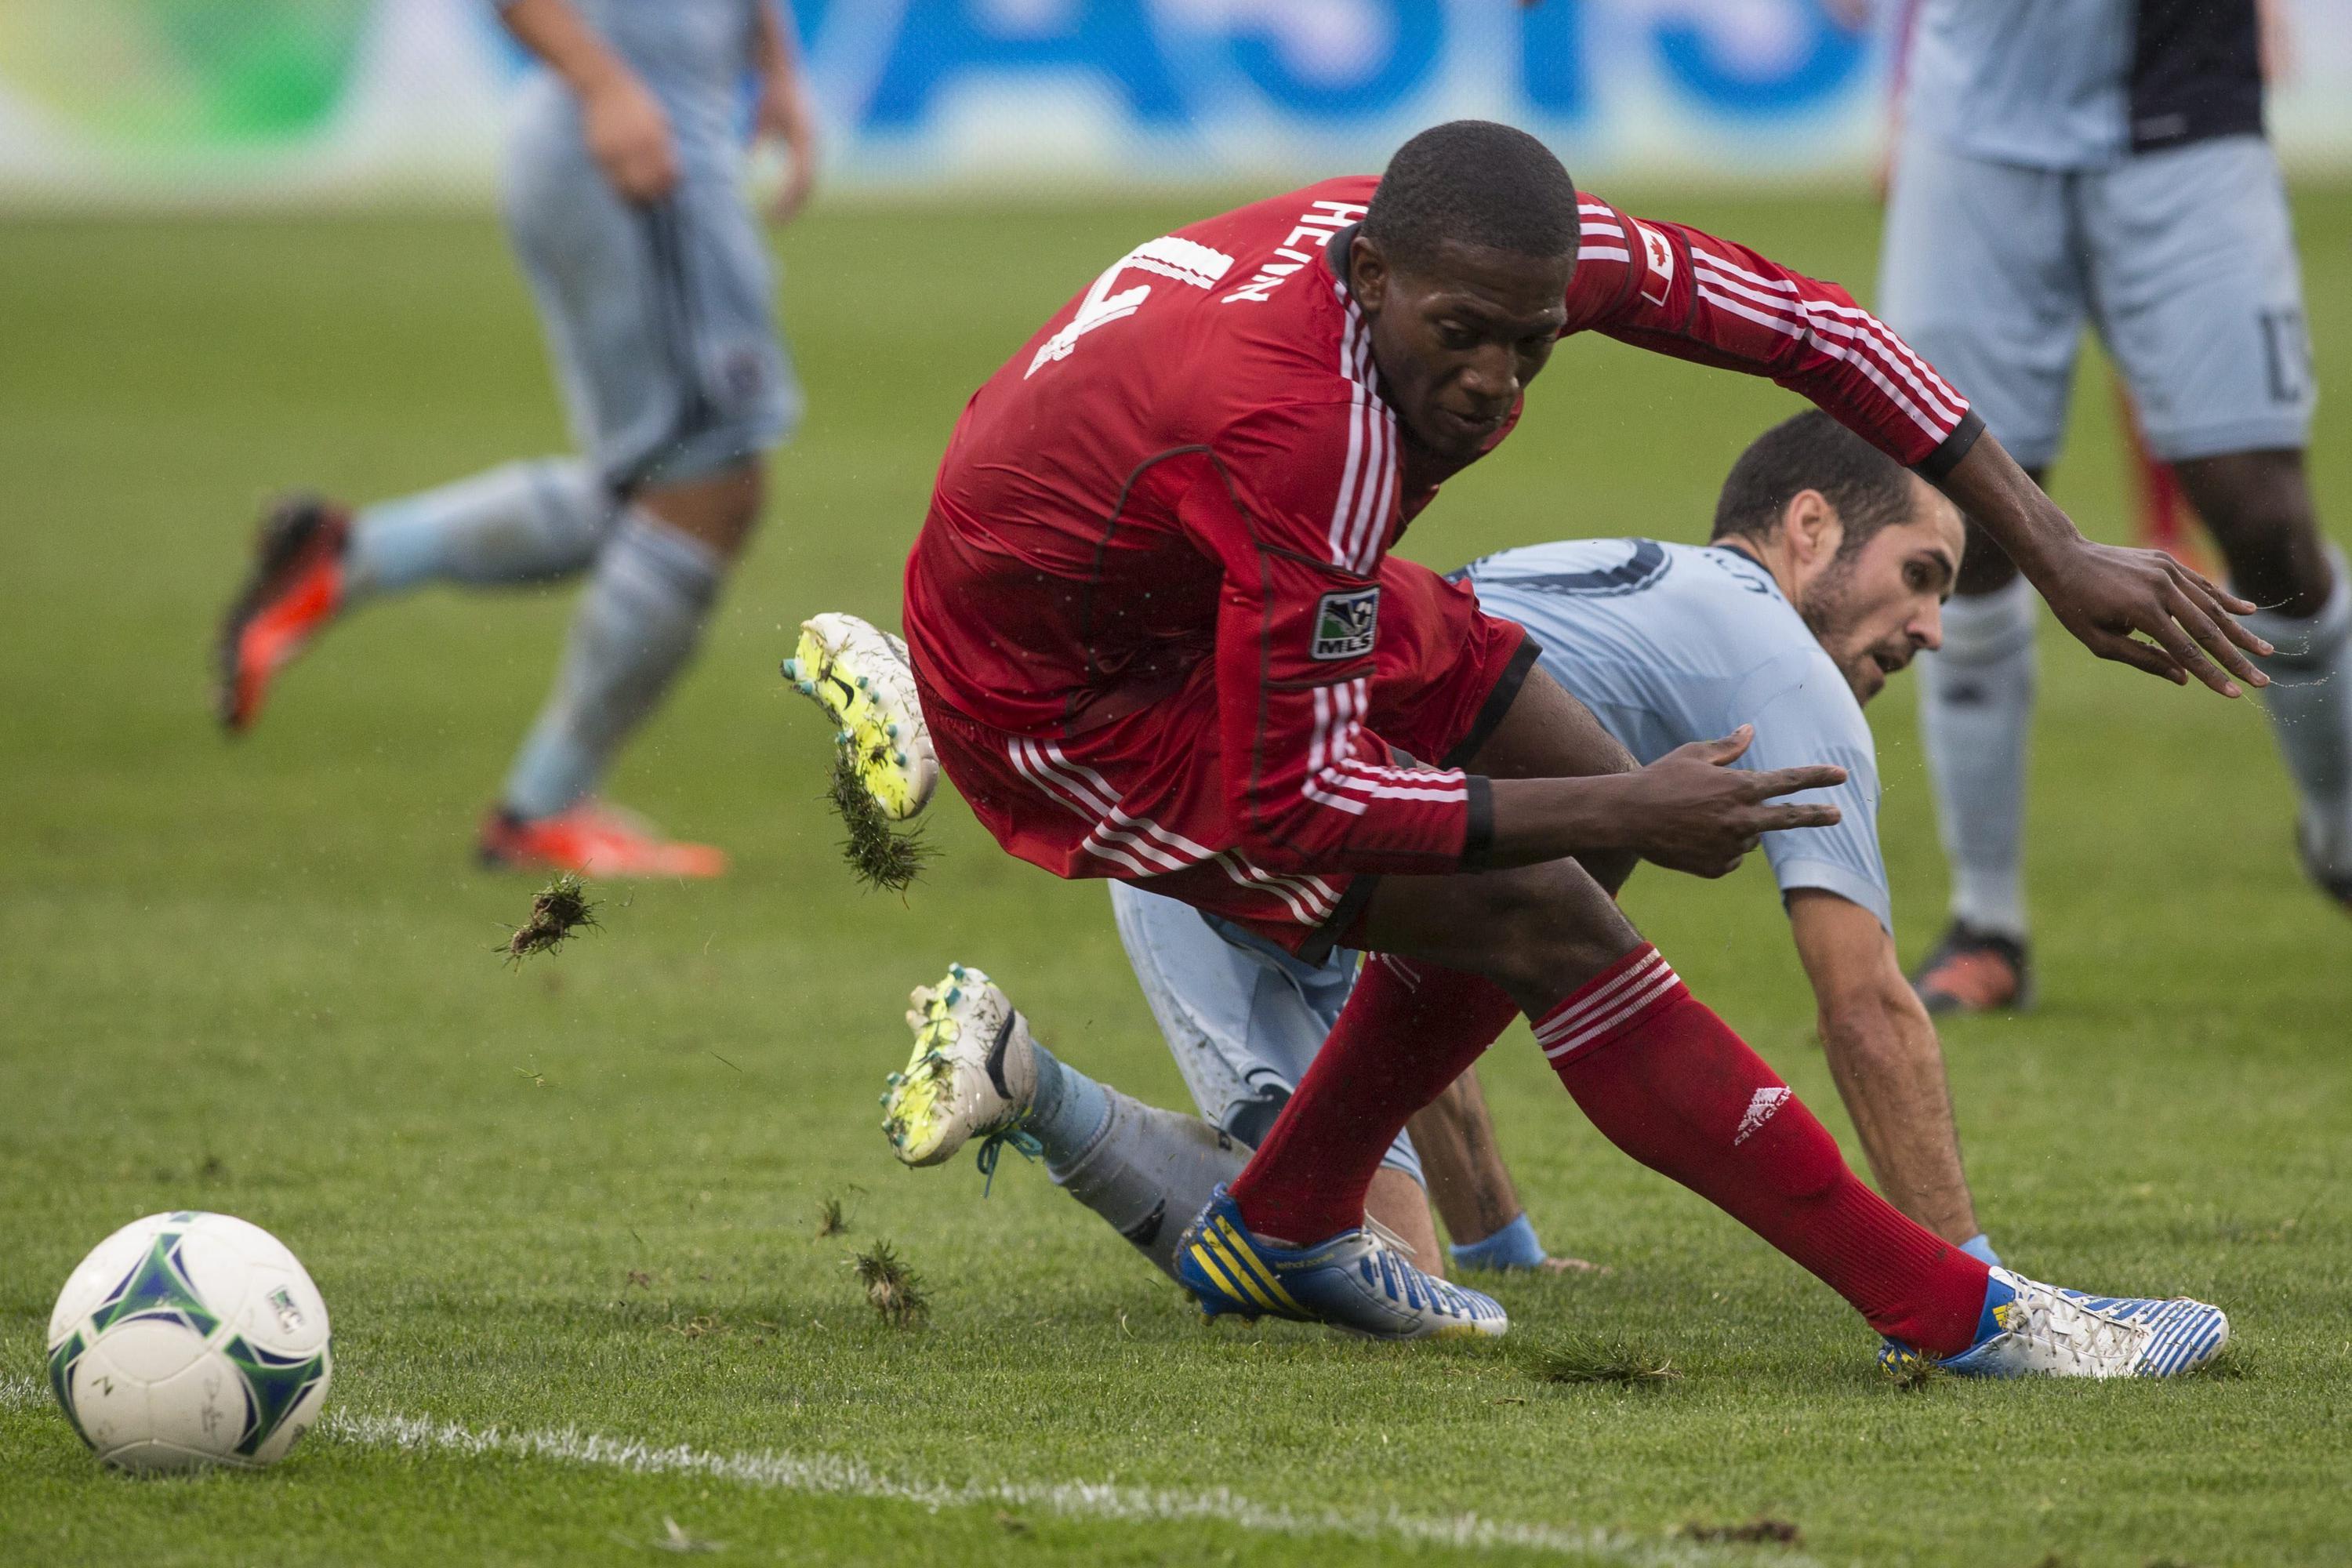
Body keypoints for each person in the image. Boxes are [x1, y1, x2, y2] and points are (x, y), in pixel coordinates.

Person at [824, 121, 2249, 1373]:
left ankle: (1288, 1215)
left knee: (1589, 839)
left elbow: (1817, 328)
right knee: (1552, 907)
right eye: (1466, 338)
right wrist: (1616, 793)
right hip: (1064, 698)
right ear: (1372, 279)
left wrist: (2050, 547)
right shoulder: (1302, 434)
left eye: (1534, 341)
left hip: (1191, 580)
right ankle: (1954, 1317)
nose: (1500, 381)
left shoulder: (1490, 256)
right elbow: (1297, 796)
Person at [854, 411, 2003, 1291]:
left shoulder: (1630, 586)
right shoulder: (1787, 672)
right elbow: (1867, 1009)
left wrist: (1502, 1244)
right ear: (1809, 530)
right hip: (1248, 853)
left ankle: (956, 702)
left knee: (1410, 1259)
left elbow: (1444, 956)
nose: (1933, 630)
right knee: (1352, 1276)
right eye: (1922, 575)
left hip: (1280, 829)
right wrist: (1979, 1280)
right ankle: (1030, 1083)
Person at [213, 0, 816, 877]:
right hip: (631, 148)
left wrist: (779, 70)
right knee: (708, 485)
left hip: (659, 140)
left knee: (652, 485)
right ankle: (544, 805)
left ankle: (347, 557)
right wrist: (607, 86)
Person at [1877, 0, 2343, 1012]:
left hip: (2184, 125)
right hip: (1976, 123)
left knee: (2261, 514)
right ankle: (1986, 919)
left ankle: (2343, 823)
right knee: (1964, 516)